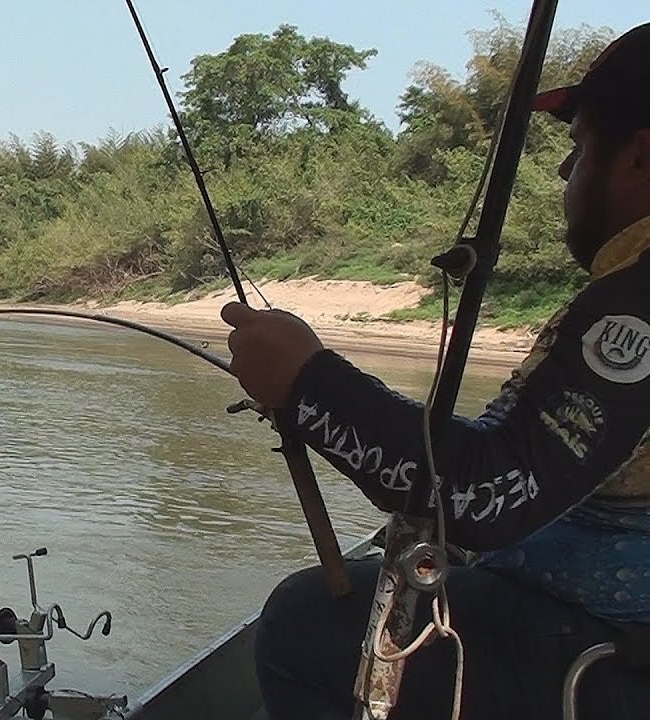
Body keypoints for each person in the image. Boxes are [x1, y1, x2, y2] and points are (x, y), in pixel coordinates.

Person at [223, 22, 650, 720]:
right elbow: (519, 462)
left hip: (616, 656)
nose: (565, 174)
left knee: (305, 624)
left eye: (578, 149)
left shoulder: (638, 306)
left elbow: (484, 495)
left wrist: (307, 385)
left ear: (639, 157)